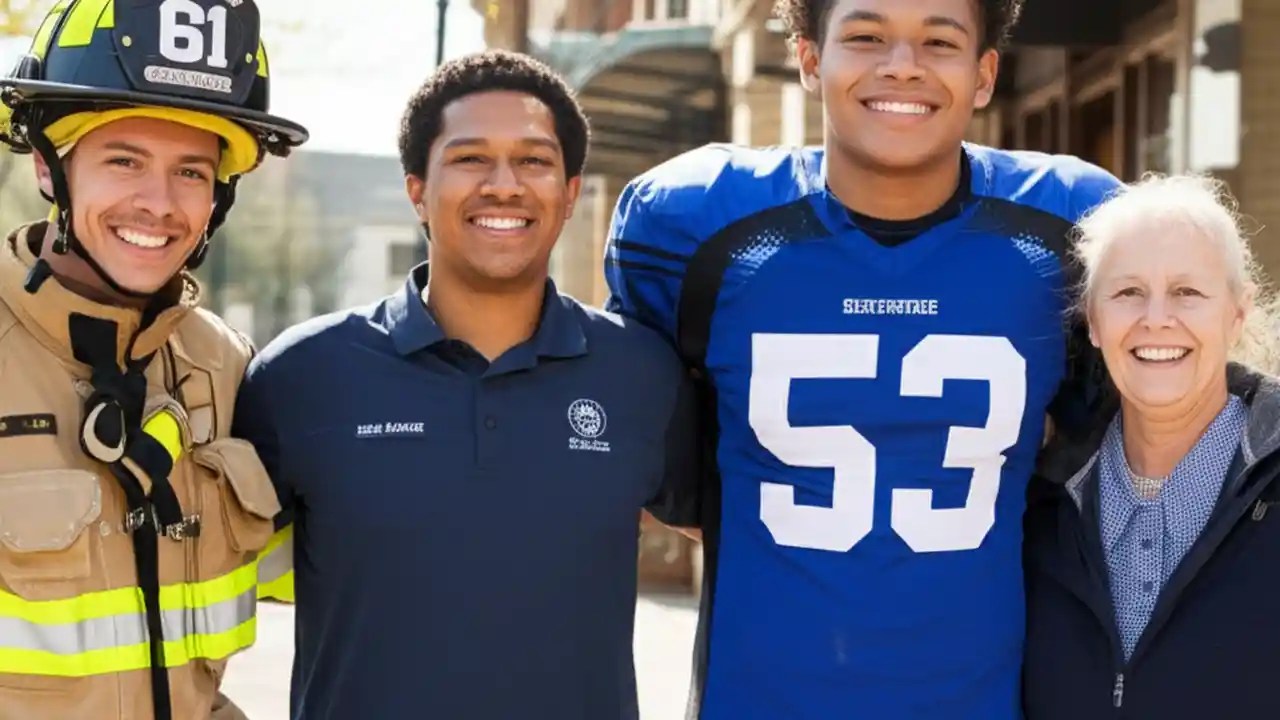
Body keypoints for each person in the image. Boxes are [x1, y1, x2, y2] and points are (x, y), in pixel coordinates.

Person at [604, 0, 1125, 717]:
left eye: (938, 42)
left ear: (984, 73)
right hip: (758, 697)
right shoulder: (695, 228)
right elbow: (644, 422)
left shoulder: (1070, 228)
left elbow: (1121, 441)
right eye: (866, 36)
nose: (901, 66)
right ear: (810, 59)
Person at [232, 50, 700, 720]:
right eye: (471, 158)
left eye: (534, 161)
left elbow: (746, 542)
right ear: (417, 189)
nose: (504, 184)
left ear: (570, 192)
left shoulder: (642, 374)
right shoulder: (300, 377)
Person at [0, 0, 307, 719]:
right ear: (49, 168)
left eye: (192, 172)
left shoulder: (231, 373)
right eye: (124, 160)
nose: (159, 204)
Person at [1023, 174, 1280, 718]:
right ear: (1092, 320)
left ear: (1236, 314)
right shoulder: (1036, 505)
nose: (1156, 319)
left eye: (1187, 292)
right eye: (1128, 293)